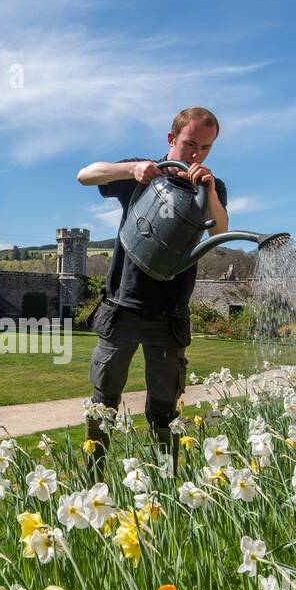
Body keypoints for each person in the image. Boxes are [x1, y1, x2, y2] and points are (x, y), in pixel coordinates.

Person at [75, 106, 229, 473]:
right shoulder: (143, 172)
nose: (195, 154)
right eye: (190, 144)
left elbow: (219, 233)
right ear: (172, 139)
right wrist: (131, 170)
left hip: (170, 316)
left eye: (205, 148)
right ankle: (91, 480)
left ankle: (166, 487)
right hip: (122, 308)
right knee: (103, 402)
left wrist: (208, 189)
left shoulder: (211, 186)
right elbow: (85, 175)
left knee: (165, 410)